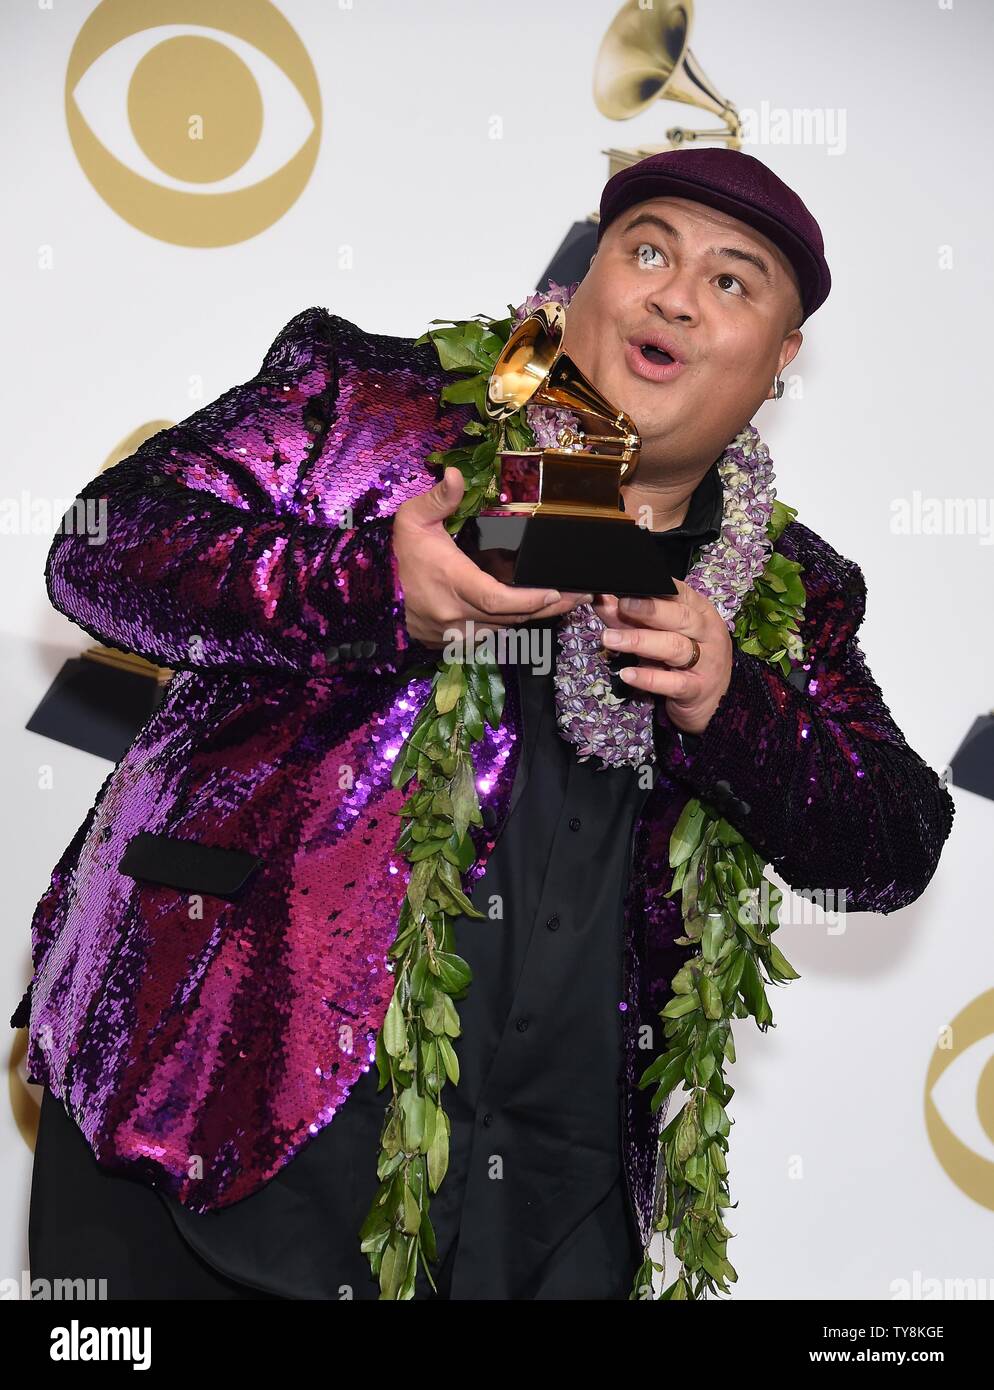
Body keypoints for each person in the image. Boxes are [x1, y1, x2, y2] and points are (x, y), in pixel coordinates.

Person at [14, 148, 954, 1301]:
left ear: (779, 362)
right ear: (588, 277)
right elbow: (102, 547)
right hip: (212, 1110)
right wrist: (365, 585)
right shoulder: (372, 402)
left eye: (731, 280)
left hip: (541, 1215)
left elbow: (891, 849)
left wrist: (730, 703)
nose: (672, 292)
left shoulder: (791, 592)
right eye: (647, 248)